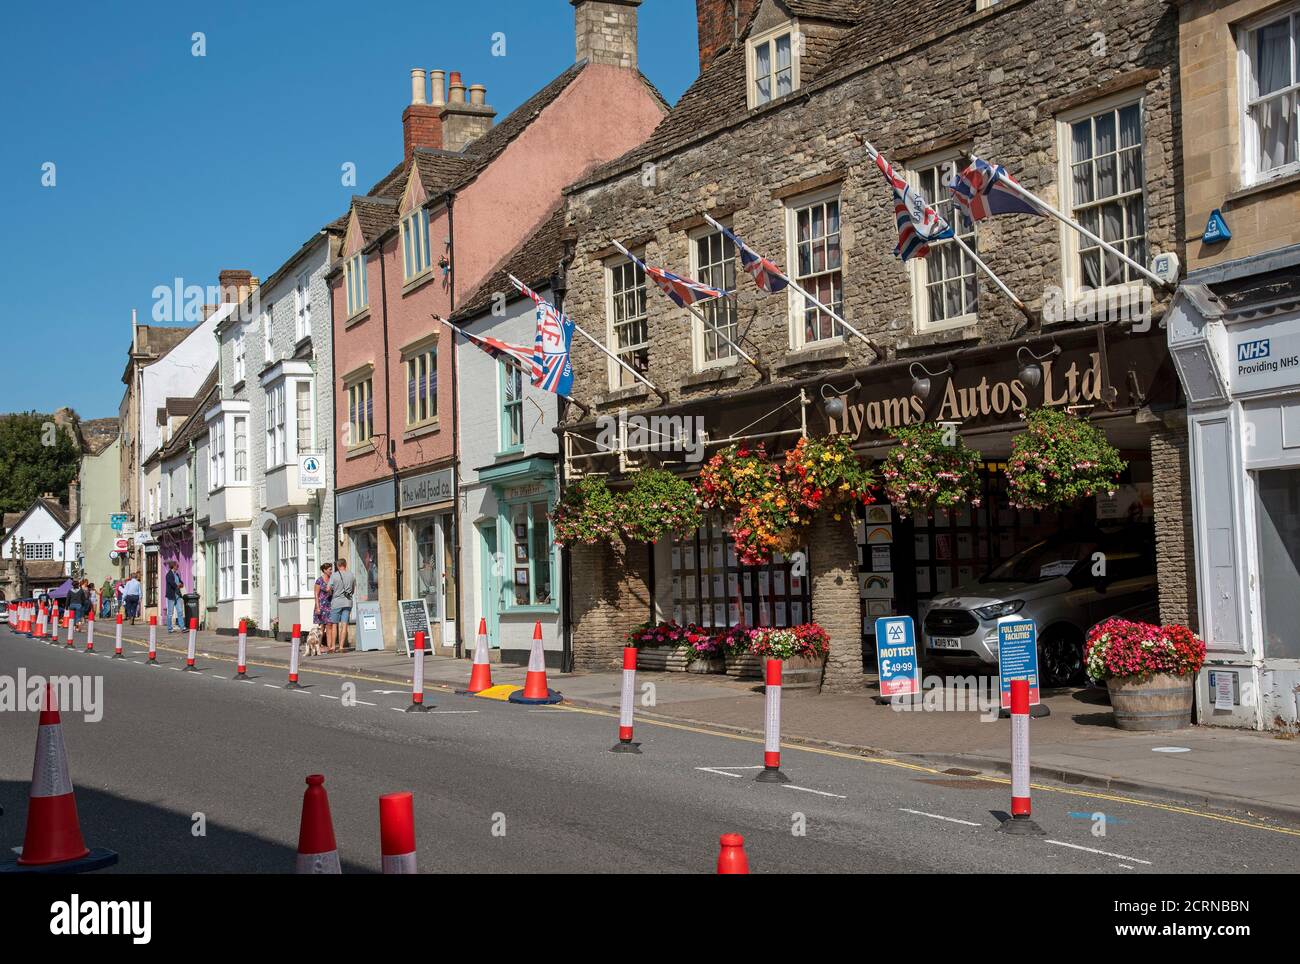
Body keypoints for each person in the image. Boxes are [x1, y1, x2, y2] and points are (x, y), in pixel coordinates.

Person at [328, 558, 357, 652]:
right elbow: (352, 590)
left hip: (336, 602)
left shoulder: (334, 576)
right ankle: (341, 647)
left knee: (334, 625)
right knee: (344, 625)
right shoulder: (351, 575)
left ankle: (332, 646)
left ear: (338, 565)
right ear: (345, 564)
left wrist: (333, 591)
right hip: (348, 602)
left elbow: (328, 588)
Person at [314, 562, 334, 652]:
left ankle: (329, 646)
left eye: (331, 569)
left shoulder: (332, 580)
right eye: (329, 569)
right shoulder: (319, 580)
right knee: (321, 626)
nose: (331, 571)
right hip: (321, 605)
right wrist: (317, 607)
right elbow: (316, 594)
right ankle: (319, 645)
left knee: (329, 625)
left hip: (330, 605)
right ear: (324, 570)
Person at [164, 561, 184, 633]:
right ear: (173, 566)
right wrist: (178, 585)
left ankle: (182, 627)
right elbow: (173, 584)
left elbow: (181, 583)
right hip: (171, 596)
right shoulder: (168, 575)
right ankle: (170, 628)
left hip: (178, 595)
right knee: (170, 613)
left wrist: (181, 584)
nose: (177, 567)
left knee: (180, 611)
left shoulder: (176, 574)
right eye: (176, 566)